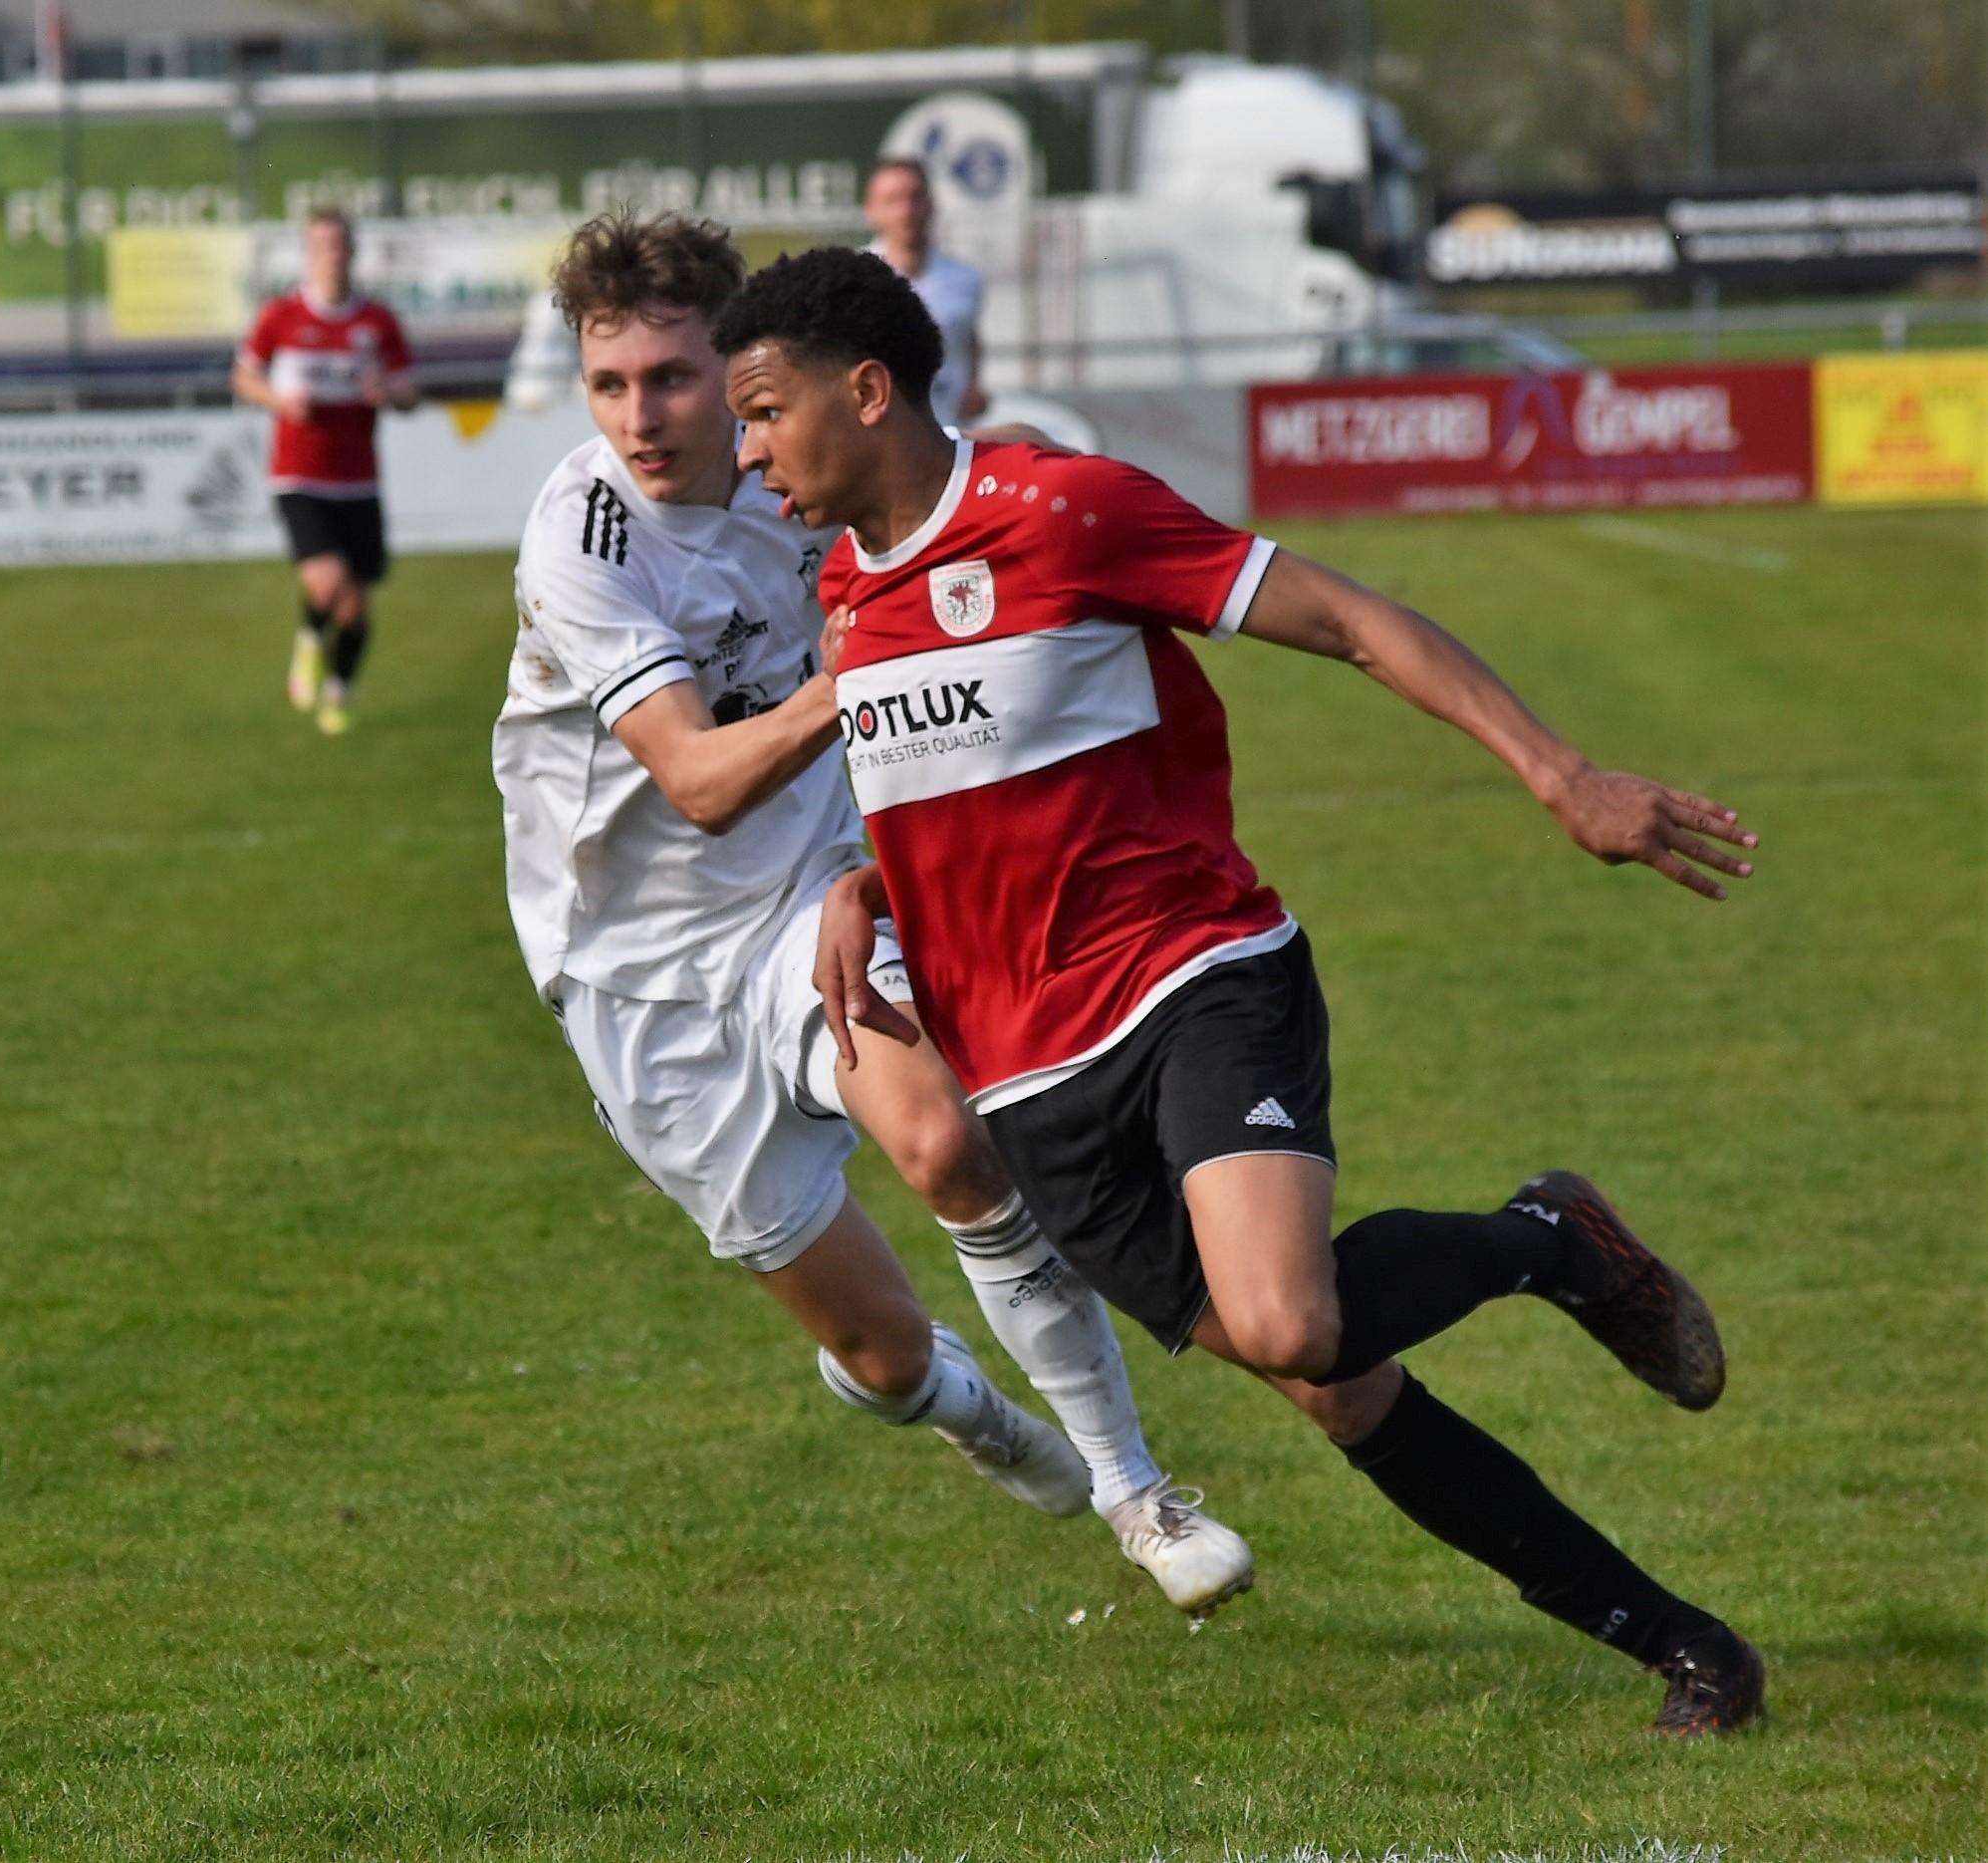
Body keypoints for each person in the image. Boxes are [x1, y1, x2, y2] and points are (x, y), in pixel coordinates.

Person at [710, 244, 1767, 1734]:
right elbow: (960, 789)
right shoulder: (843, 589)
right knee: (1338, 1387)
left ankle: (1545, 1237)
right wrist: (859, 887)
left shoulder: (1064, 509)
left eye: (763, 412)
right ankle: (1691, 1650)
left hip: (1189, 977)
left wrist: (1560, 773)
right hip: (1026, 1085)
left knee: (1284, 1321)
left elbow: (1346, 619)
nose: (747, 451)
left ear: (867, 389)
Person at [494, 211, 1256, 1614]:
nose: (641, 418)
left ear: (736, 365)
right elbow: (697, 780)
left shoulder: (799, 471)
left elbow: (945, 506)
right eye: (607, 385)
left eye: (671, 378)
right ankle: (965, 1409)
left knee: (948, 1141)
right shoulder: (582, 535)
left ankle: (1135, 1494)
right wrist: (854, 680)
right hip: (630, 976)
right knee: (886, 1356)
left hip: (801, 896)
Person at [234, 209, 418, 736]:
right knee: (328, 581)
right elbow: (244, 378)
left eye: (339, 244)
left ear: (353, 251)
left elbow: (411, 391)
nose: (331, 254)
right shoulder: (282, 316)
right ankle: (311, 641)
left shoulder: (377, 322)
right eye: (321, 245)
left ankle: (338, 690)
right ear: (308, 253)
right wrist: (279, 401)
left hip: (358, 480)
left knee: (355, 609)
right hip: (300, 476)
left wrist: (389, 393)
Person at [863, 158, 988, 427]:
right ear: (871, 210)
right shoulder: (854, 277)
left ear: (931, 204)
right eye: (892, 200)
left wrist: (974, 386)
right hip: (882, 432)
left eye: (914, 197)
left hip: (950, 429)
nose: (905, 211)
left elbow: (969, 339)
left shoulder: (966, 278)